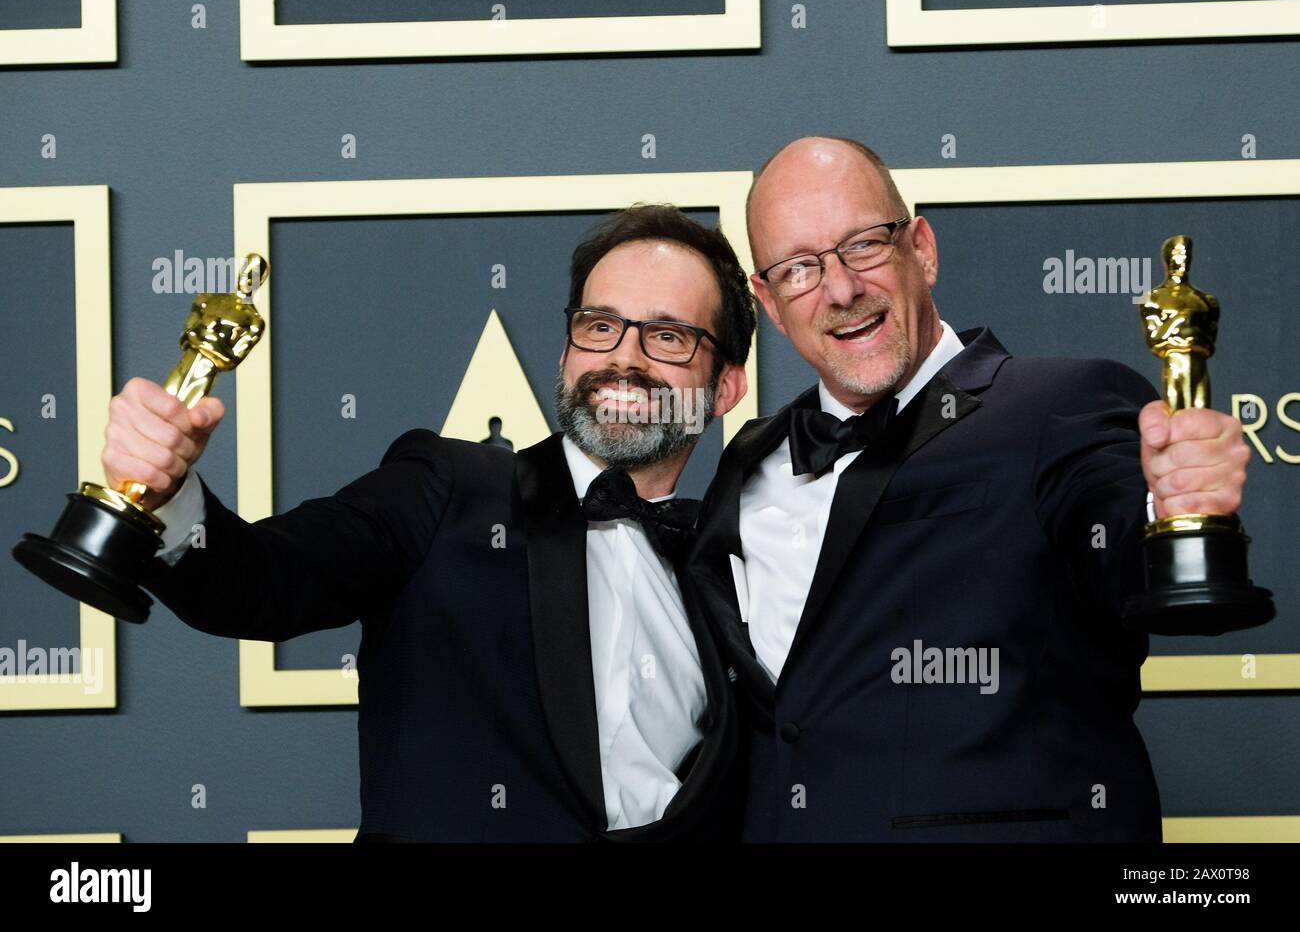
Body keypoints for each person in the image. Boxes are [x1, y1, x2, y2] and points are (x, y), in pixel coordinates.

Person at [107, 204, 757, 841]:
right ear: (566, 352)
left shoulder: (730, 568)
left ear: (726, 386)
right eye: (599, 326)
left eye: (668, 335)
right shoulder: (448, 487)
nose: (624, 357)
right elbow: (263, 580)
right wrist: (166, 492)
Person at [686, 136, 1253, 841]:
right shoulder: (748, 460)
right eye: (800, 268)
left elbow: (1121, 541)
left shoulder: (1060, 405)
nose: (839, 289)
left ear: (922, 248)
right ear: (769, 302)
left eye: (863, 244)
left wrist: (1172, 507)